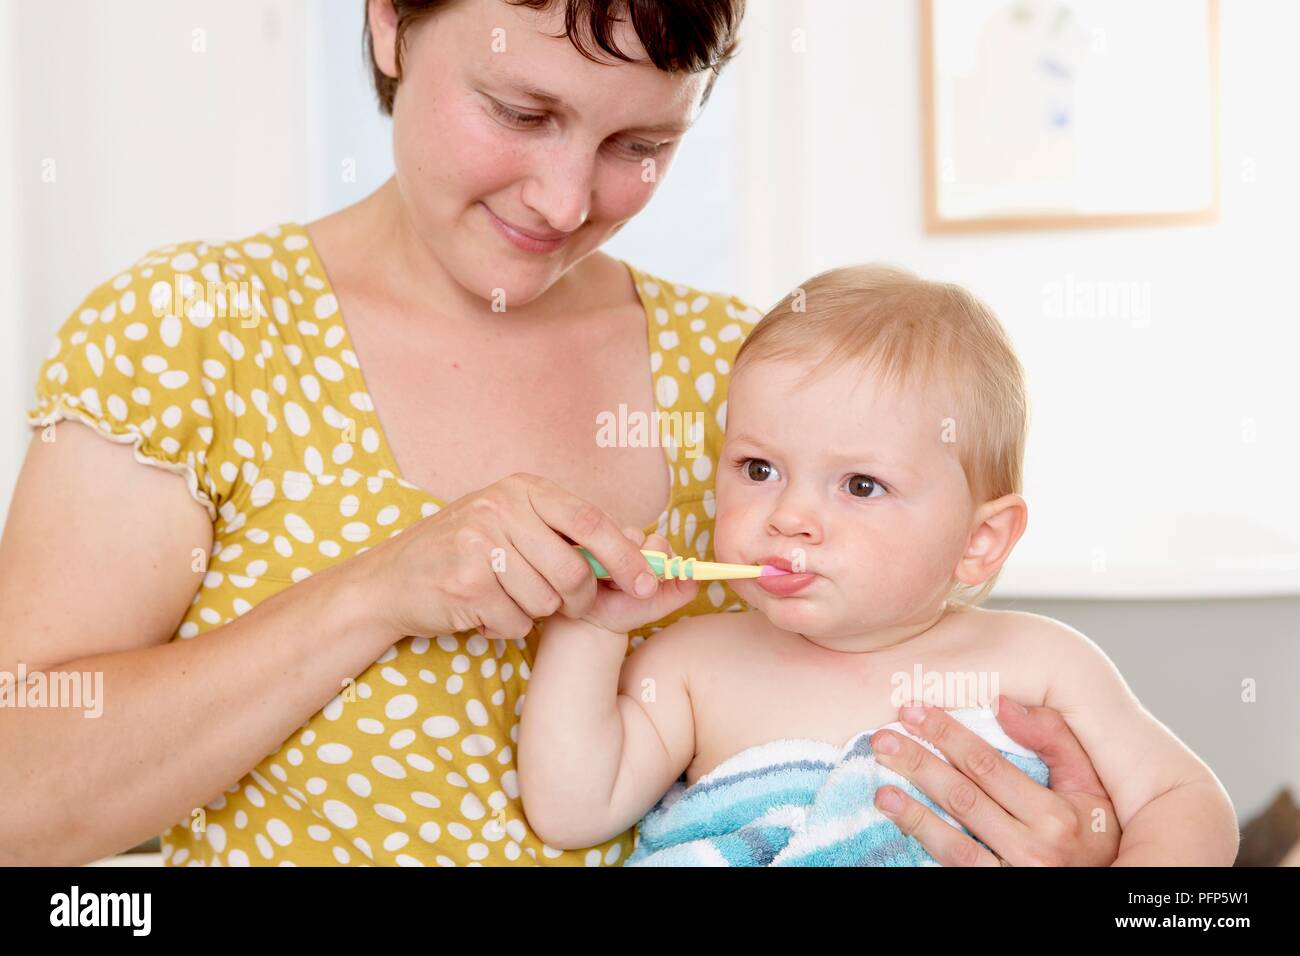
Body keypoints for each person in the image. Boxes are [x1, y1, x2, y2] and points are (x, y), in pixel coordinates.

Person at [0, 0, 1121, 867]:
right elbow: (20, 792)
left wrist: (1084, 854)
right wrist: (371, 592)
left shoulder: (747, 386)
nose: (562, 198)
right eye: (521, 112)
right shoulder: (193, 331)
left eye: (639, 143)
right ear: (390, 21)